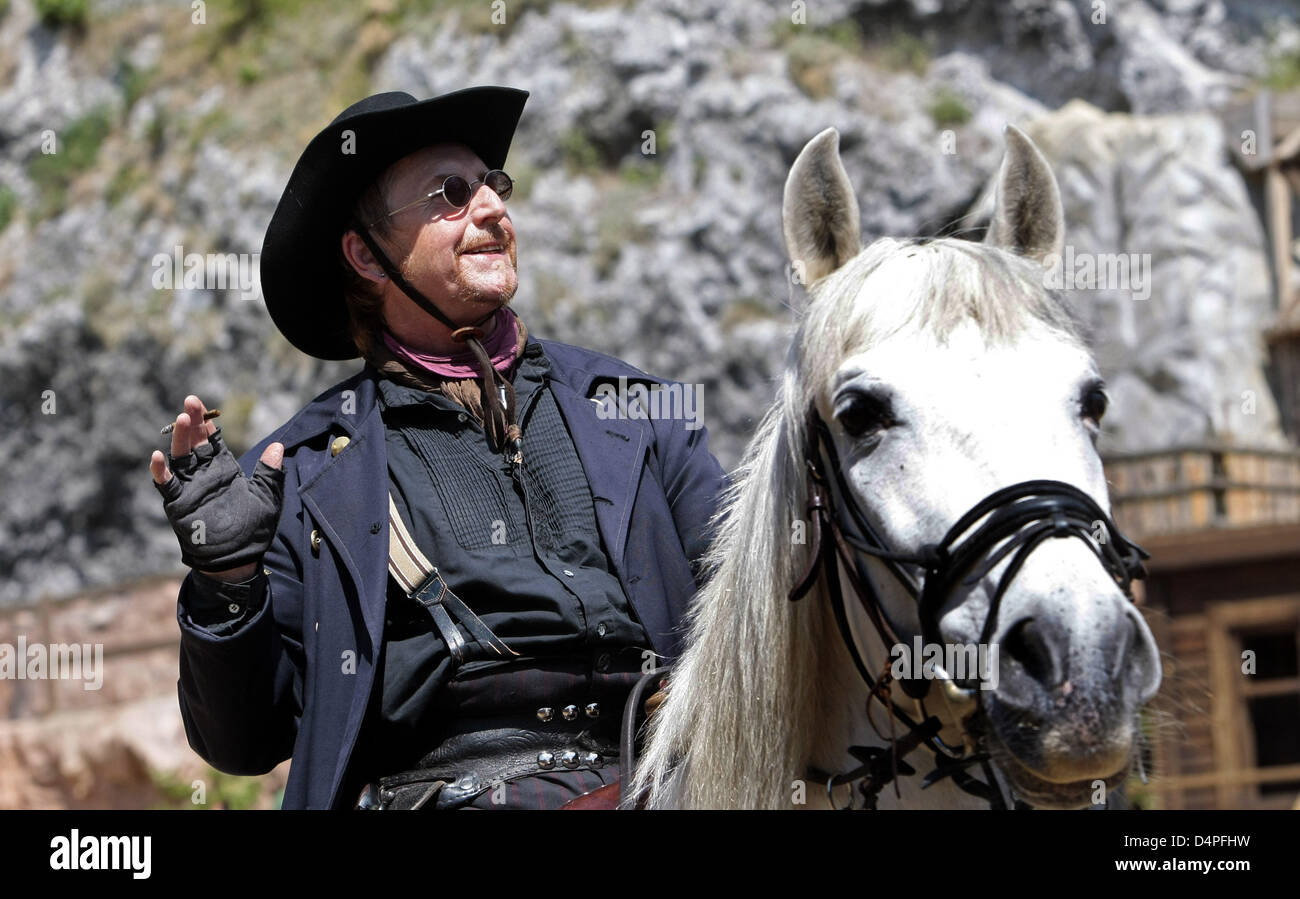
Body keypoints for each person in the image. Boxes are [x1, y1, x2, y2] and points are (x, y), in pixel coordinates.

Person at [148, 86, 727, 810]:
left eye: (494, 184)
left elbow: (749, 611)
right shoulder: (300, 471)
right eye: (451, 193)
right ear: (366, 254)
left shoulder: (639, 410)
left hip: (663, 777)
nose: (492, 208)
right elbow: (242, 744)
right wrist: (227, 582)